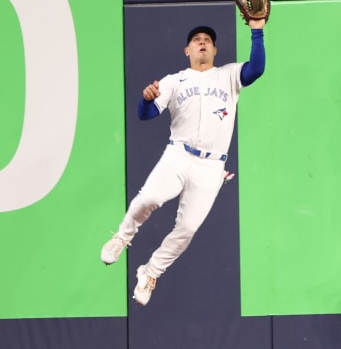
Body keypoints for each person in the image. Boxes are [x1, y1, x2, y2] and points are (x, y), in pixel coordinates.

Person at [100, 17, 266, 305]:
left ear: (214, 50)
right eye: (196, 40)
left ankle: (150, 272)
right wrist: (146, 99)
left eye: (208, 40)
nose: (202, 42)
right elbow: (146, 115)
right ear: (186, 50)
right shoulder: (174, 80)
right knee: (148, 198)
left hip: (212, 166)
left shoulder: (229, 75)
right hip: (179, 154)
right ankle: (122, 237)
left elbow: (257, 69)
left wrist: (257, 30)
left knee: (187, 229)